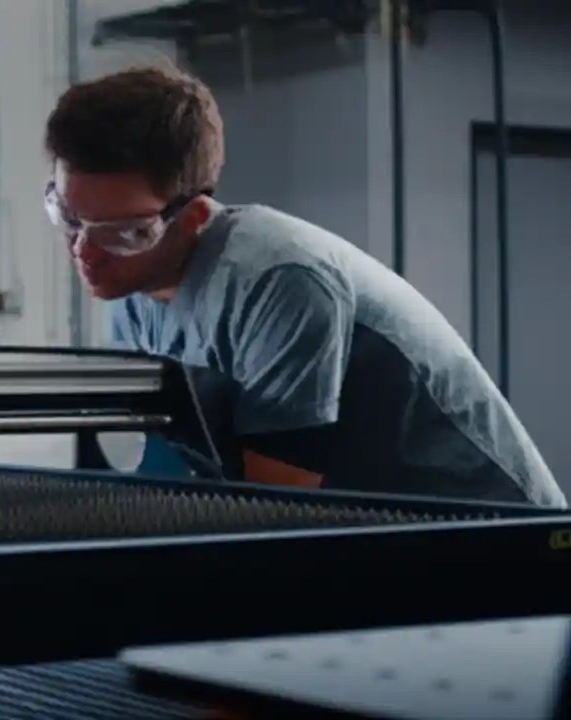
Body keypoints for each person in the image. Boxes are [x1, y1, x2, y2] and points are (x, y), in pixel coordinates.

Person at [43, 62, 567, 508]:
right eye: (69, 218)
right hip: (369, 534)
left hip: (489, 532)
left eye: (123, 233)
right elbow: (183, 467)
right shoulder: (132, 292)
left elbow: (277, 511)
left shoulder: (278, 280)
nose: (83, 252)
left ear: (195, 216)